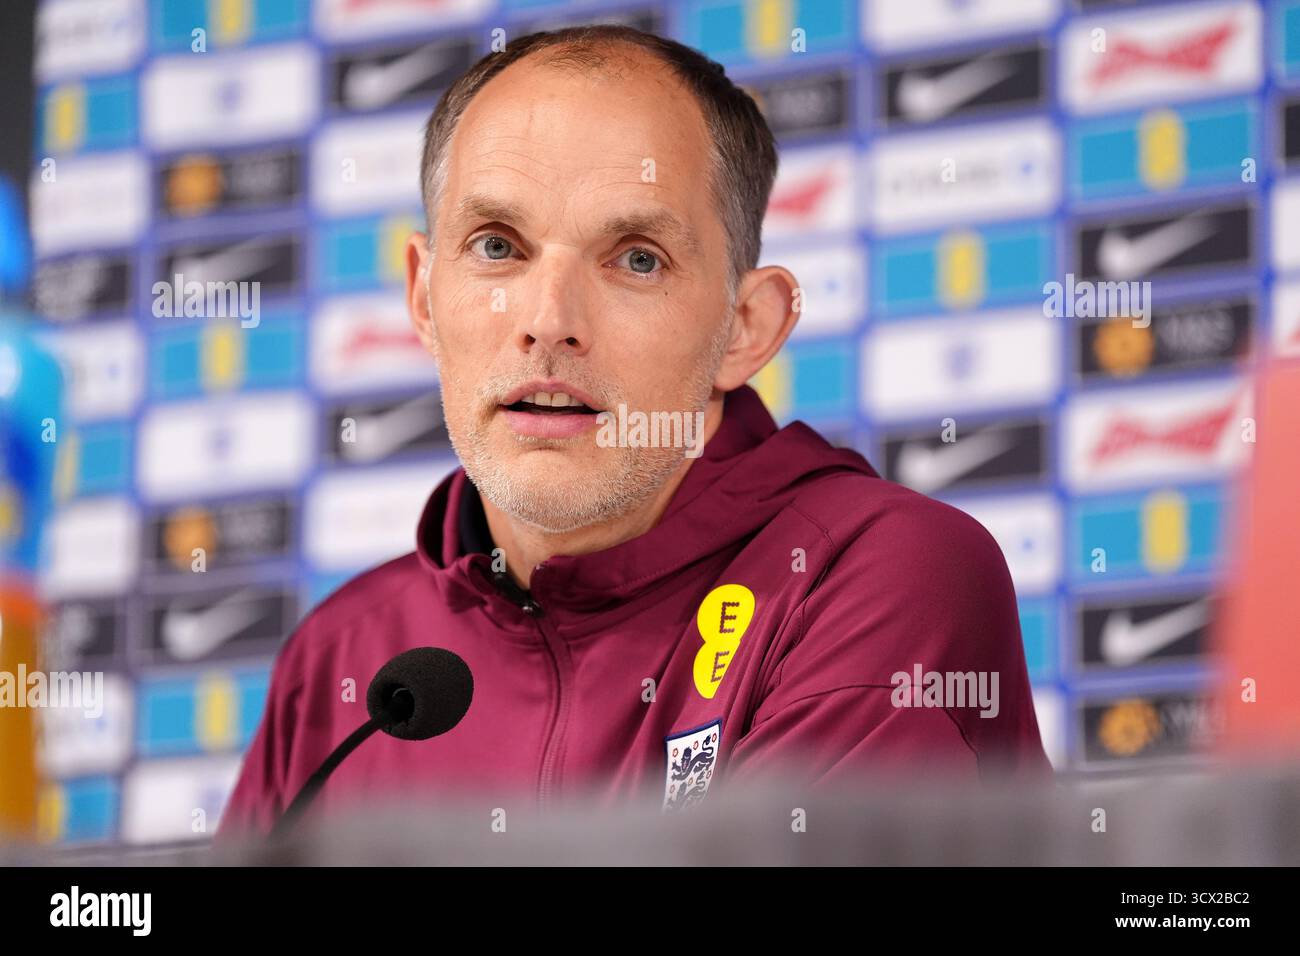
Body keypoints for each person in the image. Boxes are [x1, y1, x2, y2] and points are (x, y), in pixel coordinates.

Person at [218, 24, 1050, 839]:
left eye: (637, 257)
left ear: (745, 327)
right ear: (425, 297)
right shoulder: (340, 657)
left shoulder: (877, 574)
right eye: (498, 246)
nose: (549, 322)